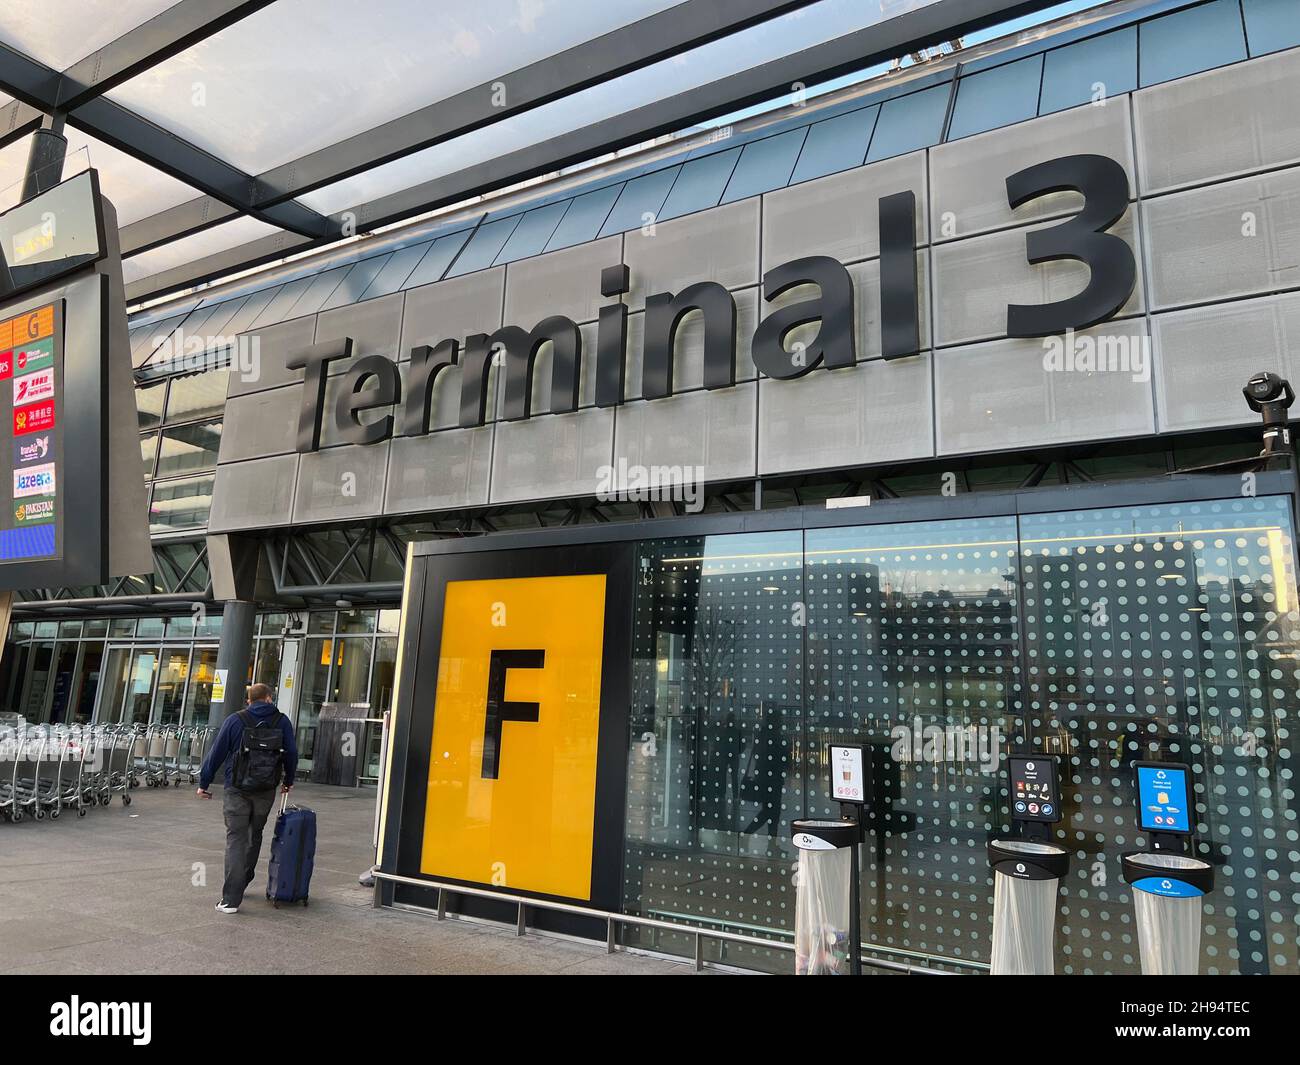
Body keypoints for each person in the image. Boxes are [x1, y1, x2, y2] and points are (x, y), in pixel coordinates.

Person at [195, 683, 298, 914]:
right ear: (269, 698)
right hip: (266, 790)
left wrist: (204, 783)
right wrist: (288, 780)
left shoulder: (235, 720)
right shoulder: (281, 721)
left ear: (249, 700)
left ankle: (231, 899)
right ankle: (244, 879)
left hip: (237, 789)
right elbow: (291, 753)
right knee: (255, 834)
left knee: (236, 839)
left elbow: (216, 753)